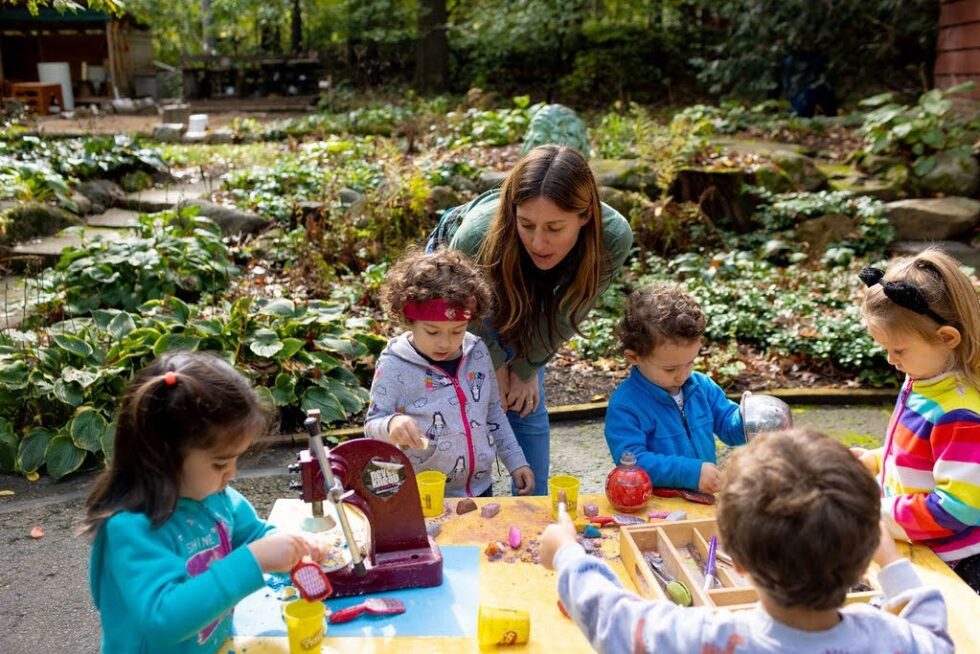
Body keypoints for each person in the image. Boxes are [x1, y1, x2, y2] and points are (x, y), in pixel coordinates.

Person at [540, 428, 954, 654]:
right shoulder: (887, 640)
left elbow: (610, 617)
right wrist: (893, 565)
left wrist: (569, 555)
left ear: (735, 559)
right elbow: (935, 637)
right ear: (865, 560)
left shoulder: (710, 639)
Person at [82, 351, 323, 653]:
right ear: (164, 455)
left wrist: (290, 547)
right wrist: (254, 560)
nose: (232, 473)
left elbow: (252, 535)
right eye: (220, 463)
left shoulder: (215, 497)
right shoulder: (132, 529)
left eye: (235, 460)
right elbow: (163, 618)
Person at [428, 144, 634, 495]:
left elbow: (567, 311)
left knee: (525, 398)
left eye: (554, 228)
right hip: (459, 290)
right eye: (527, 224)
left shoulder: (613, 237)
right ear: (513, 213)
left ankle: (533, 502)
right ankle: (465, 504)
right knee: (466, 397)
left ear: (585, 216)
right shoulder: (475, 235)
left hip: (534, 291)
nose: (539, 242)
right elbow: (469, 313)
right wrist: (495, 365)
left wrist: (525, 369)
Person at [852, 248, 980, 593]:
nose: (890, 360)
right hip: (922, 543)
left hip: (955, 566)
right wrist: (877, 460)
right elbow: (923, 457)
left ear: (947, 338)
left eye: (899, 350)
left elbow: (959, 509)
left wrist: (878, 514)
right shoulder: (924, 379)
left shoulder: (960, 416)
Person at [364, 247, 534, 497]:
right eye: (432, 331)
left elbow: (493, 413)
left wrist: (516, 461)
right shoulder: (394, 364)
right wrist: (391, 424)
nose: (445, 342)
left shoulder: (477, 352)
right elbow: (371, 425)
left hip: (479, 488)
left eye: (458, 330)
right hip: (424, 491)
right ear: (408, 320)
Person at [604, 284, 744, 493]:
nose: (683, 375)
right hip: (656, 504)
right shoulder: (626, 406)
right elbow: (632, 462)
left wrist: (746, 419)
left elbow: (729, 428)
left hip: (701, 498)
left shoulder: (701, 387)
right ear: (634, 357)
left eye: (691, 362)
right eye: (670, 369)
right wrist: (690, 473)